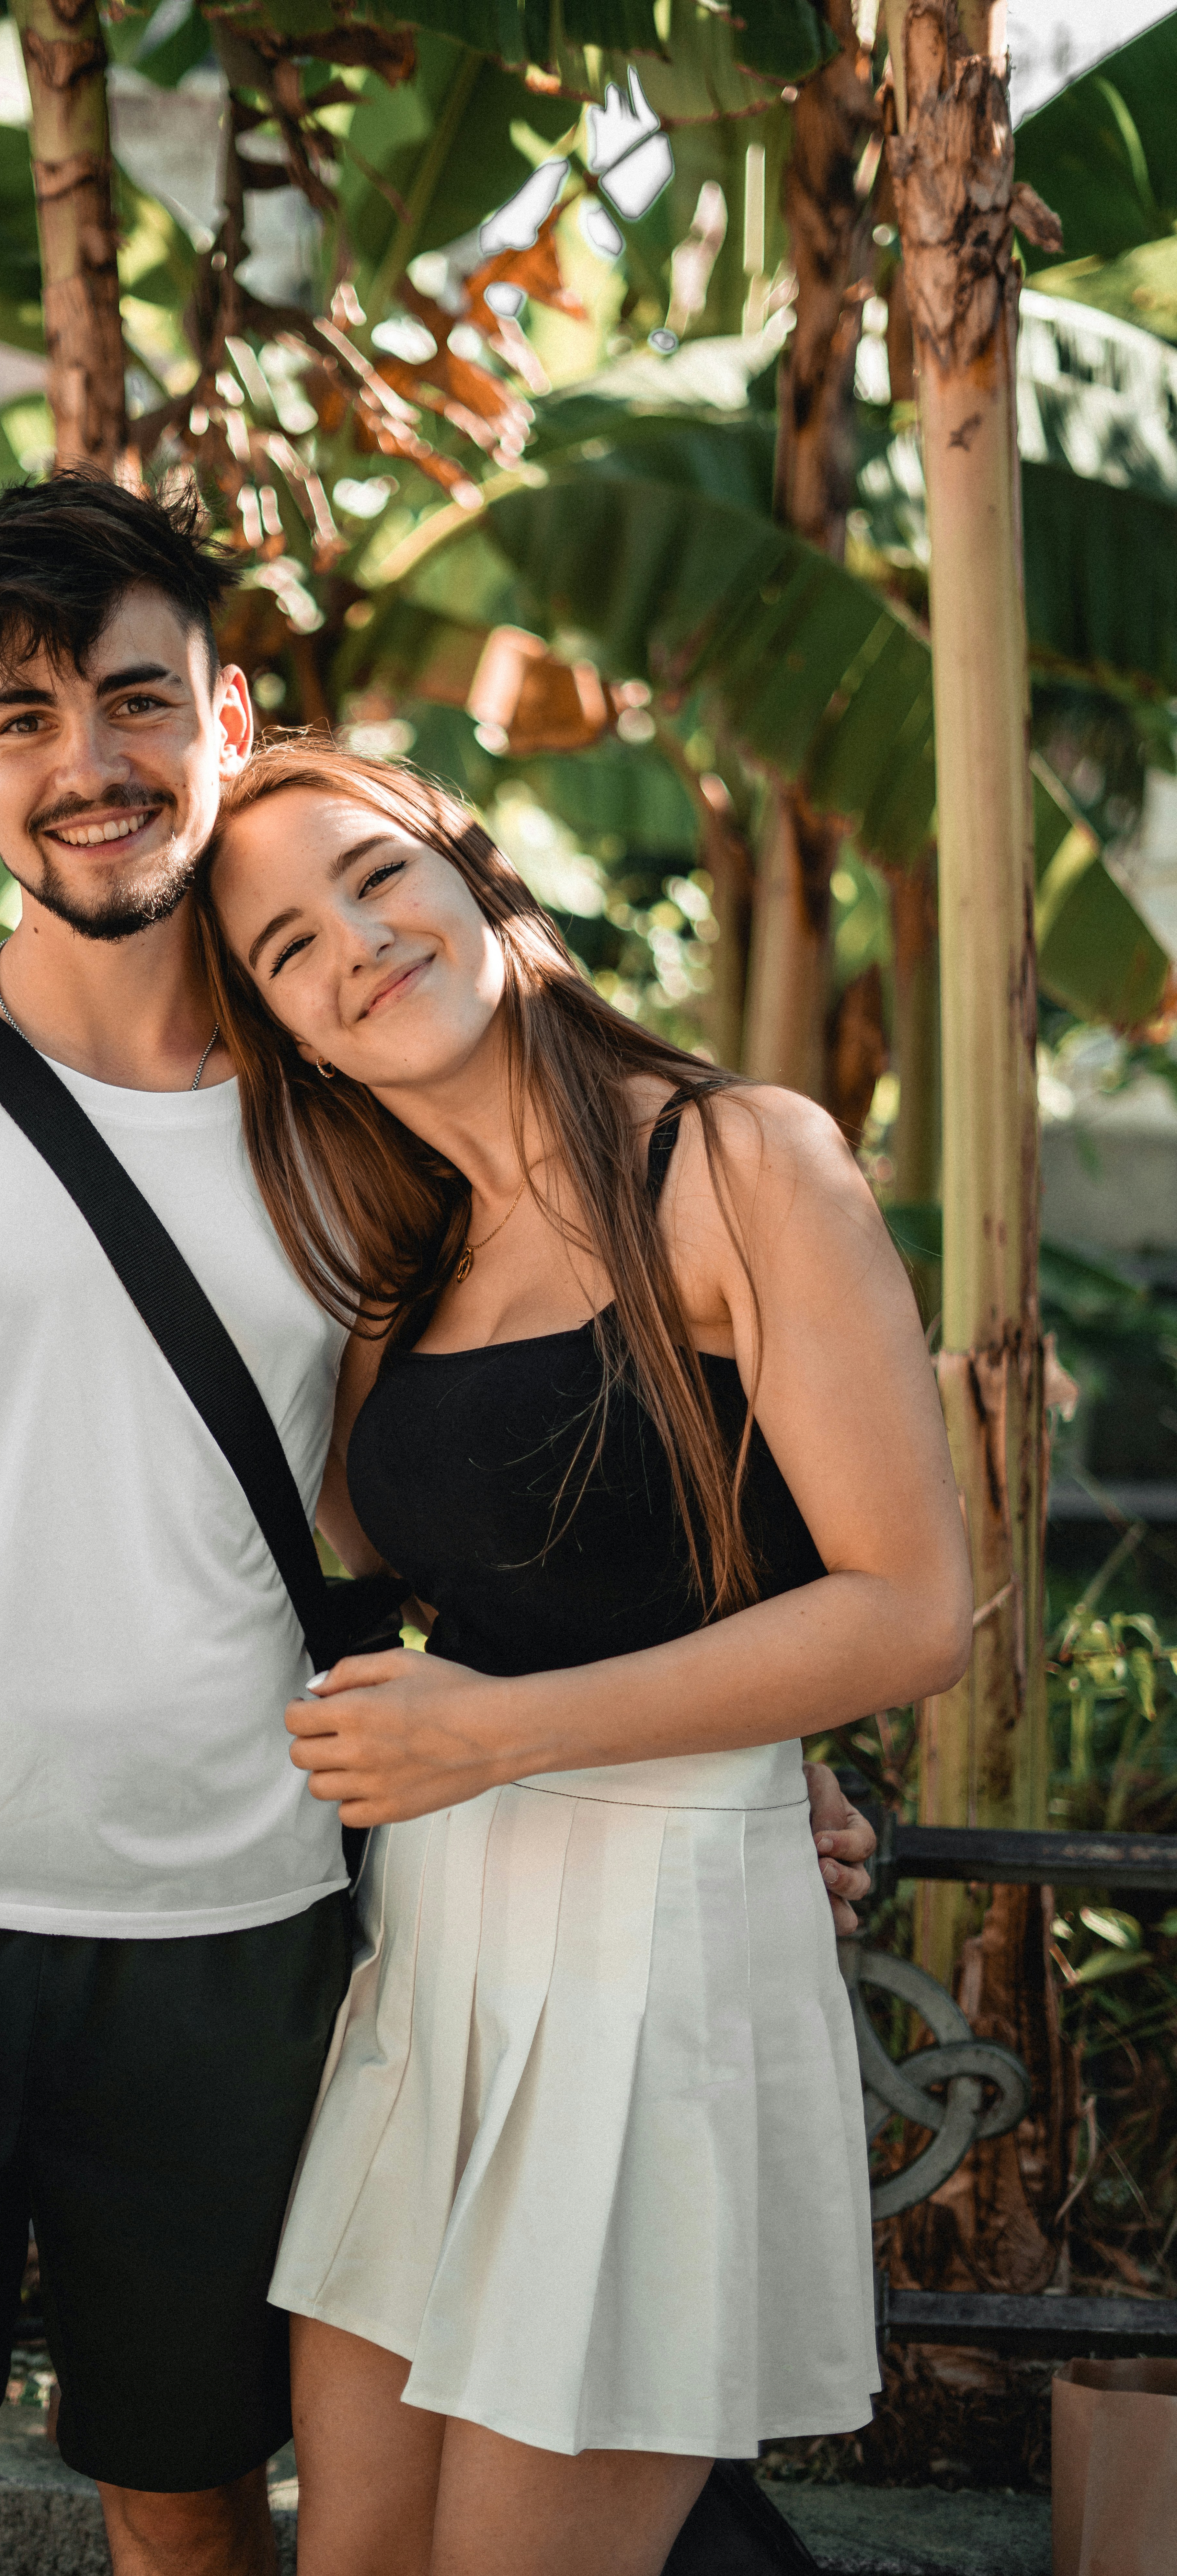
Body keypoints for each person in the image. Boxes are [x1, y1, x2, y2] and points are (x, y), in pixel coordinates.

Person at [0, 471, 878, 2576]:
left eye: (134, 701)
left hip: (253, 1942)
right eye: (29, 717)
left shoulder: (359, 1128)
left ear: (224, 720)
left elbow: (490, 1505)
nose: (91, 764)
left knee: (201, 2516)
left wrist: (738, 1759)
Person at [199, 738, 975, 2576]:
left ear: (473, 868)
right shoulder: (413, 1262)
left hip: (657, 1962)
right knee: (360, 2554)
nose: (357, 948)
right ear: (289, 1036)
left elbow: (906, 1604)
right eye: (289, 950)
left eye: (375, 878)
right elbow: (514, 1584)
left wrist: (521, 1735)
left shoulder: (732, 1159)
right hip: (443, 1952)